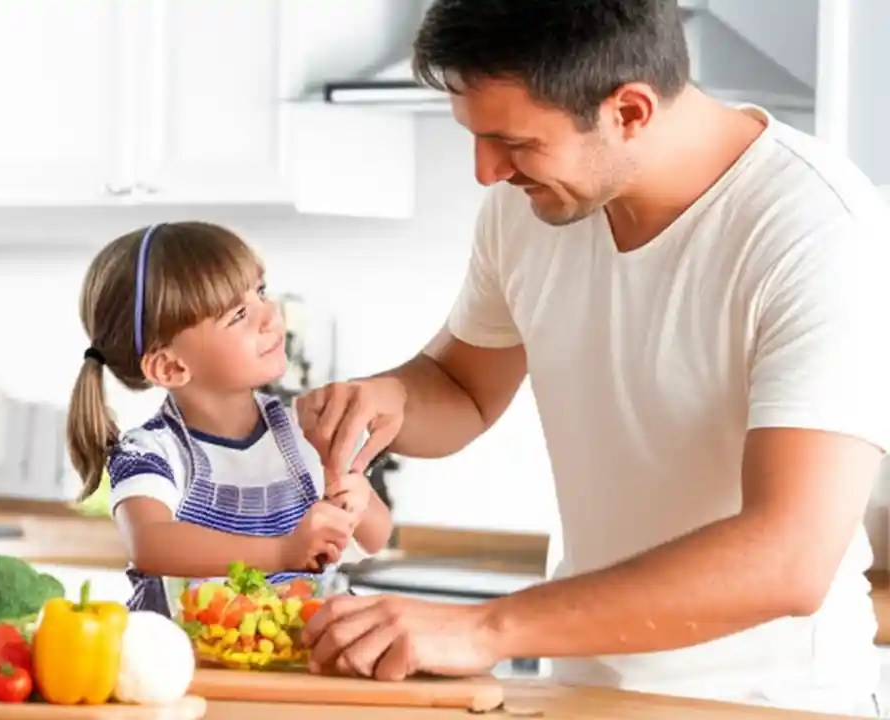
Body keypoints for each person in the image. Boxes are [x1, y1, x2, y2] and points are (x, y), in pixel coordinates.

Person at [295, 0, 890, 715]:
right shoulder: (535, 205)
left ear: (630, 111)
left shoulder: (817, 232)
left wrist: (485, 627)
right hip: (586, 689)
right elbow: (463, 389)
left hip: (771, 702)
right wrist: (388, 397)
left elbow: (788, 555)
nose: (486, 172)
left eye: (512, 142)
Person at [66, 221, 394, 615]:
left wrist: (354, 493)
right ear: (170, 368)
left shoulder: (302, 429)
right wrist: (283, 552)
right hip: (189, 668)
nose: (270, 314)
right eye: (239, 314)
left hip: (295, 663)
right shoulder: (150, 452)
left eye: (260, 292)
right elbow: (150, 544)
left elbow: (374, 538)